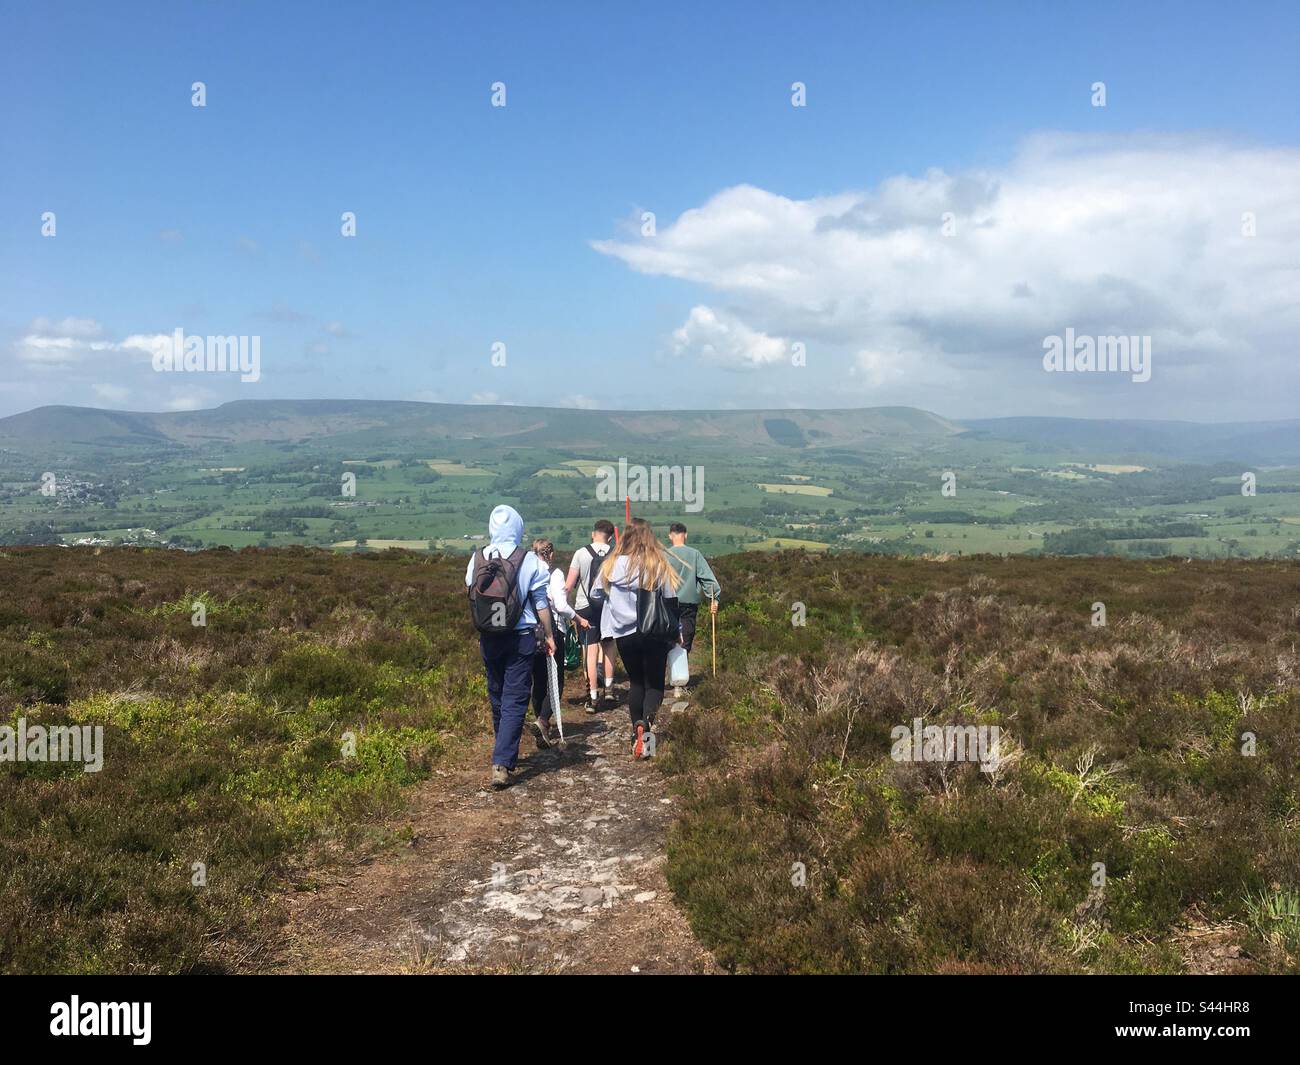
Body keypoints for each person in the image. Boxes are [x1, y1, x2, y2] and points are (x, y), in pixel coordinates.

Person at [465, 505, 554, 789]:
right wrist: (549, 635)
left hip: (489, 635)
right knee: (516, 696)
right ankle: (502, 761)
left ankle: (502, 745)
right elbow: (541, 604)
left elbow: (471, 590)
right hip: (521, 636)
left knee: (497, 693)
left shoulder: (477, 558)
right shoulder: (530, 561)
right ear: (518, 527)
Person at [598, 518, 681, 758]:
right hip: (654, 632)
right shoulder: (656, 563)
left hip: (624, 634)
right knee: (654, 685)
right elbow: (670, 599)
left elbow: (596, 593)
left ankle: (636, 729)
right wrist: (677, 635)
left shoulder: (611, 565)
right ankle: (645, 729)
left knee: (636, 683)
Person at [566, 518, 617, 712]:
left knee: (591, 650)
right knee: (609, 644)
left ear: (593, 533)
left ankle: (593, 697)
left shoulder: (581, 553)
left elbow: (570, 584)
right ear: (610, 537)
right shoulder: (616, 553)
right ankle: (610, 688)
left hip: (584, 606)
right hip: (609, 606)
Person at [664, 522, 721, 692]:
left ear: (670, 536)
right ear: (685, 535)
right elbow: (709, 581)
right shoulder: (695, 554)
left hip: (667, 604)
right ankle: (679, 684)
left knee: (666, 639)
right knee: (685, 640)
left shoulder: (663, 555)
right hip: (688, 604)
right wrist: (714, 599)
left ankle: (665, 677)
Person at [528, 538, 573, 748]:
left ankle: (540, 722)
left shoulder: (526, 572)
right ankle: (544, 720)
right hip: (551, 630)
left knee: (538, 680)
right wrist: (578, 618)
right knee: (556, 681)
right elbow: (561, 605)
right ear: (551, 554)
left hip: (529, 631)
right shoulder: (554, 574)